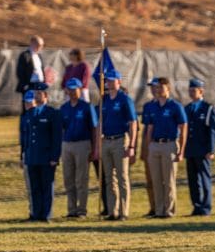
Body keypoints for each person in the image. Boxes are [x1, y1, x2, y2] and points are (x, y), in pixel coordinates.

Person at [141, 78, 188, 218]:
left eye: (161, 87)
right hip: (155, 145)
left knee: (168, 180)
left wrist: (181, 150)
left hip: (170, 144)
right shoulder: (151, 107)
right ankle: (159, 210)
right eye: (156, 87)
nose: (158, 90)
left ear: (168, 89)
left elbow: (183, 127)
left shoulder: (175, 106)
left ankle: (169, 210)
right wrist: (148, 147)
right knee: (156, 180)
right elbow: (149, 128)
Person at [100, 71, 138, 220]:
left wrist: (132, 146)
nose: (109, 83)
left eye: (111, 80)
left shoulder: (125, 99)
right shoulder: (104, 100)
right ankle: (112, 211)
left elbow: (133, 123)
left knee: (122, 177)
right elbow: (101, 121)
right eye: (107, 81)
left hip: (120, 140)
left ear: (118, 82)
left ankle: (124, 211)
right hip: (106, 140)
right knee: (109, 178)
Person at [21, 81, 62, 221]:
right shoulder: (29, 114)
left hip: (46, 156)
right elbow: (26, 137)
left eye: (39, 94)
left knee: (46, 186)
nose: (37, 96)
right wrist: (25, 155)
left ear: (45, 96)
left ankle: (46, 214)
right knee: (35, 187)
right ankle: (36, 214)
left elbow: (56, 137)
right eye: (35, 94)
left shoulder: (52, 113)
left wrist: (55, 157)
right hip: (32, 156)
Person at [59, 77, 99, 218]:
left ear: (80, 90)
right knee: (68, 179)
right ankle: (71, 209)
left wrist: (95, 149)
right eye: (69, 89)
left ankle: (82, 209)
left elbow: (94, 129)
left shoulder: (87, 107)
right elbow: (61, 129)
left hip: (83, 144)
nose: (72, 92)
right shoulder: (63, 108)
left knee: (81, 179)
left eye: (74, 89)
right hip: (67, 144)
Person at [184, 78, 215, 216]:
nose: (192, 93)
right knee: (193, 180)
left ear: (201, 91)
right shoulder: (187, 108)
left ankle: (205, 206)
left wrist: (211, 149)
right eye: (190, 90)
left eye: (194, 90)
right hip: (190, 149)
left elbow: (213, 130)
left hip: (203, 150)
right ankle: (196, 206)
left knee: (204, 179)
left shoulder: (209, 108)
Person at [139, 77, 161, 216]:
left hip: (163, 143)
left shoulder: (170, 105)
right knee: (150, 179)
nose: (153, 89)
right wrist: (143, 148)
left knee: (163, 179)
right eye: (151, 87)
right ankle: (153, 207)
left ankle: (164, 207)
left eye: (156, 86)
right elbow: (146, 128)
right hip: (150, 145)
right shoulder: (148, 106)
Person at [20, 89, 35, 218]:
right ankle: (32, 211)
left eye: (30, 102)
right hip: (27, 154)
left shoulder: (40, 115)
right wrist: (21, 155)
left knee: (37, 184)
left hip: (38, 155)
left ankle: (40, 210)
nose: (28, 105)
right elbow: (22, 139)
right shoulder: (23, 118)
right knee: (29, 185)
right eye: (26, 102)